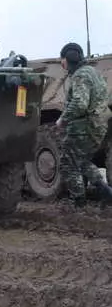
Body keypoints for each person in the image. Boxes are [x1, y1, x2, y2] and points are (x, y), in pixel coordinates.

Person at [56, 42, 112, 207]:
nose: (61, 62)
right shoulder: (92, 72)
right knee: (81, 160)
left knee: (68, 161)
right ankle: (105, 193)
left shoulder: (80, 75)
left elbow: (80, 103)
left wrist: (63, 119)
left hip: (84, 126)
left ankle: (78, 201)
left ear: (68, 59)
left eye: (62, 58)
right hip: (98, 125)